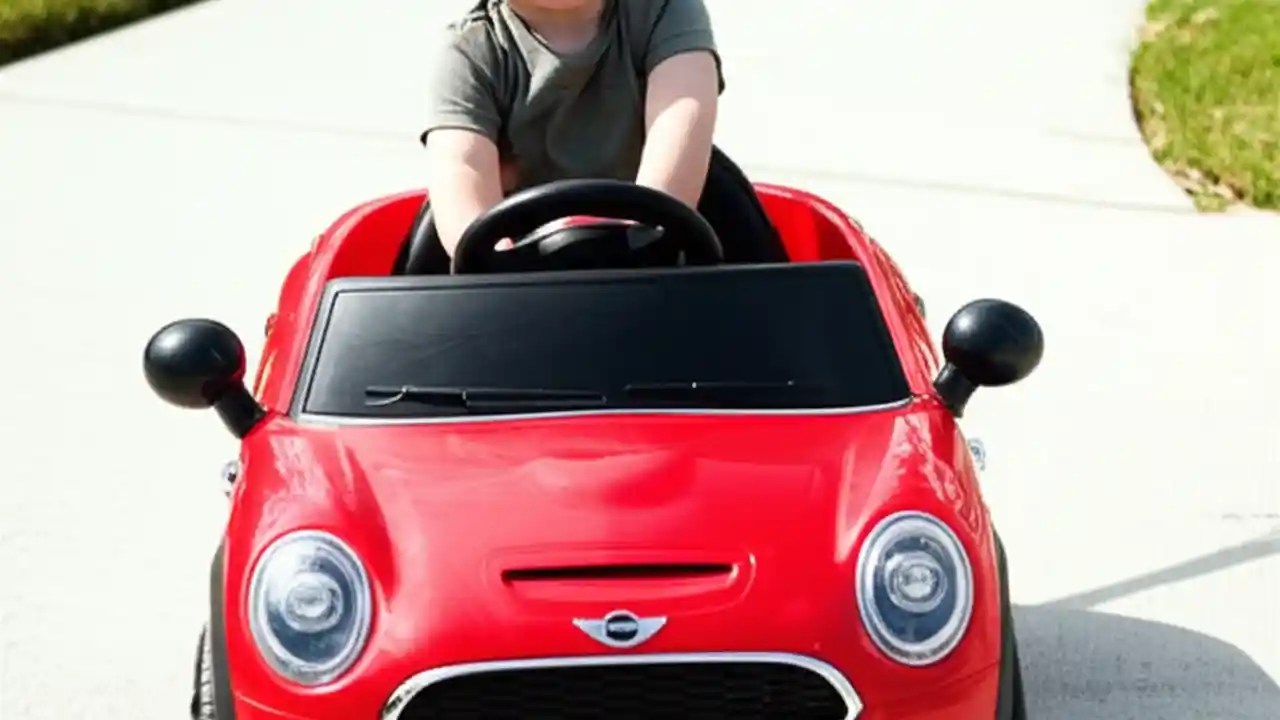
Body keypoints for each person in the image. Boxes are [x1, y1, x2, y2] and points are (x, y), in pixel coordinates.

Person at [410, 0, 787, 270]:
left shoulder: (664, 10)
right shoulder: (470, 52)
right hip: (516, 257)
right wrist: (499, 263)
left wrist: (645, 232)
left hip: (673, 246)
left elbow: (683, 115)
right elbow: (461, 168)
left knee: (739, 231)